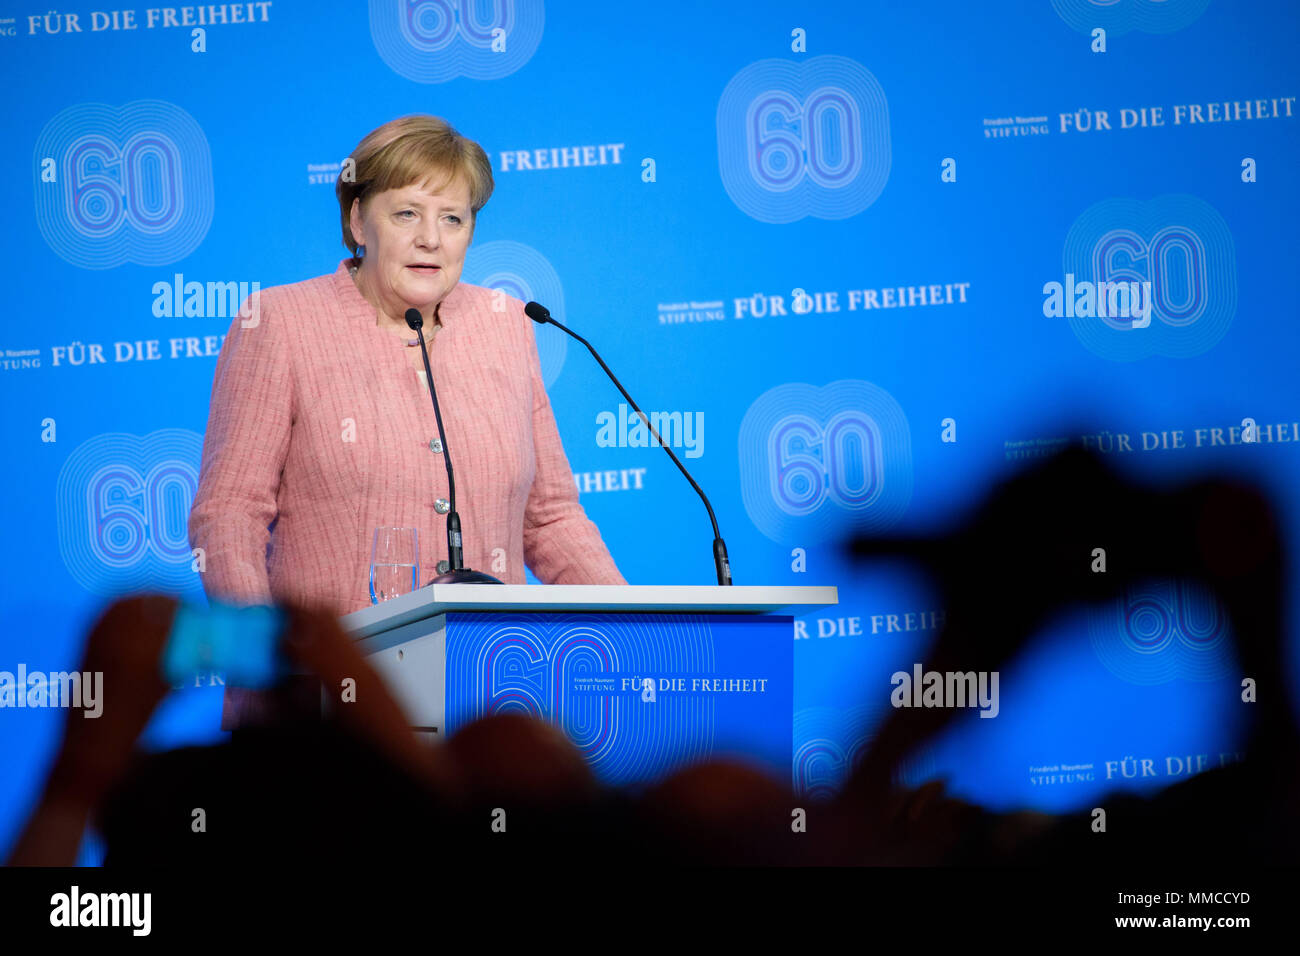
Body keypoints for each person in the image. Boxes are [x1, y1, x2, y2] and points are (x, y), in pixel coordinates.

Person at [188, 115, 625, 729]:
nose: (432, 240)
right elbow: (228, 514)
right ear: (356, 219)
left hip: (490, 706)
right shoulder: (279, 323)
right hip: (324, 711)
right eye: (406, 214)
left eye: (453, 217)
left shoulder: (506, 326)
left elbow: (551, 518)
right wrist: (267, 668)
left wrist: (631, 631)